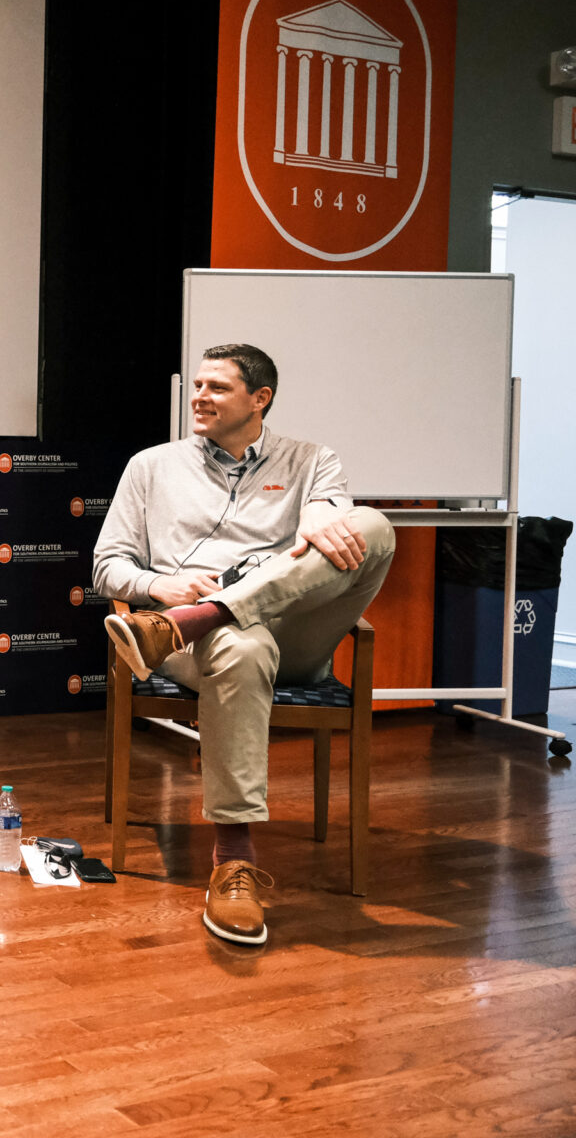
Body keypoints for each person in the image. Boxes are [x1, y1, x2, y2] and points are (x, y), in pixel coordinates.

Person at [92, 343, 395, 946]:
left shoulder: (312, 460)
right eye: (197, 386)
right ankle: (233, 859)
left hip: (290, 632)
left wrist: (321, 513)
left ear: (260, 399)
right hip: (200, 648)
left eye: (217, 388)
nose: (199, 398)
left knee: (375, 526)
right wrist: (161, 586)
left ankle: (199, 617)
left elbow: (342, 533)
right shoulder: (151, 466)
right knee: (241, 646)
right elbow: (107, 566)